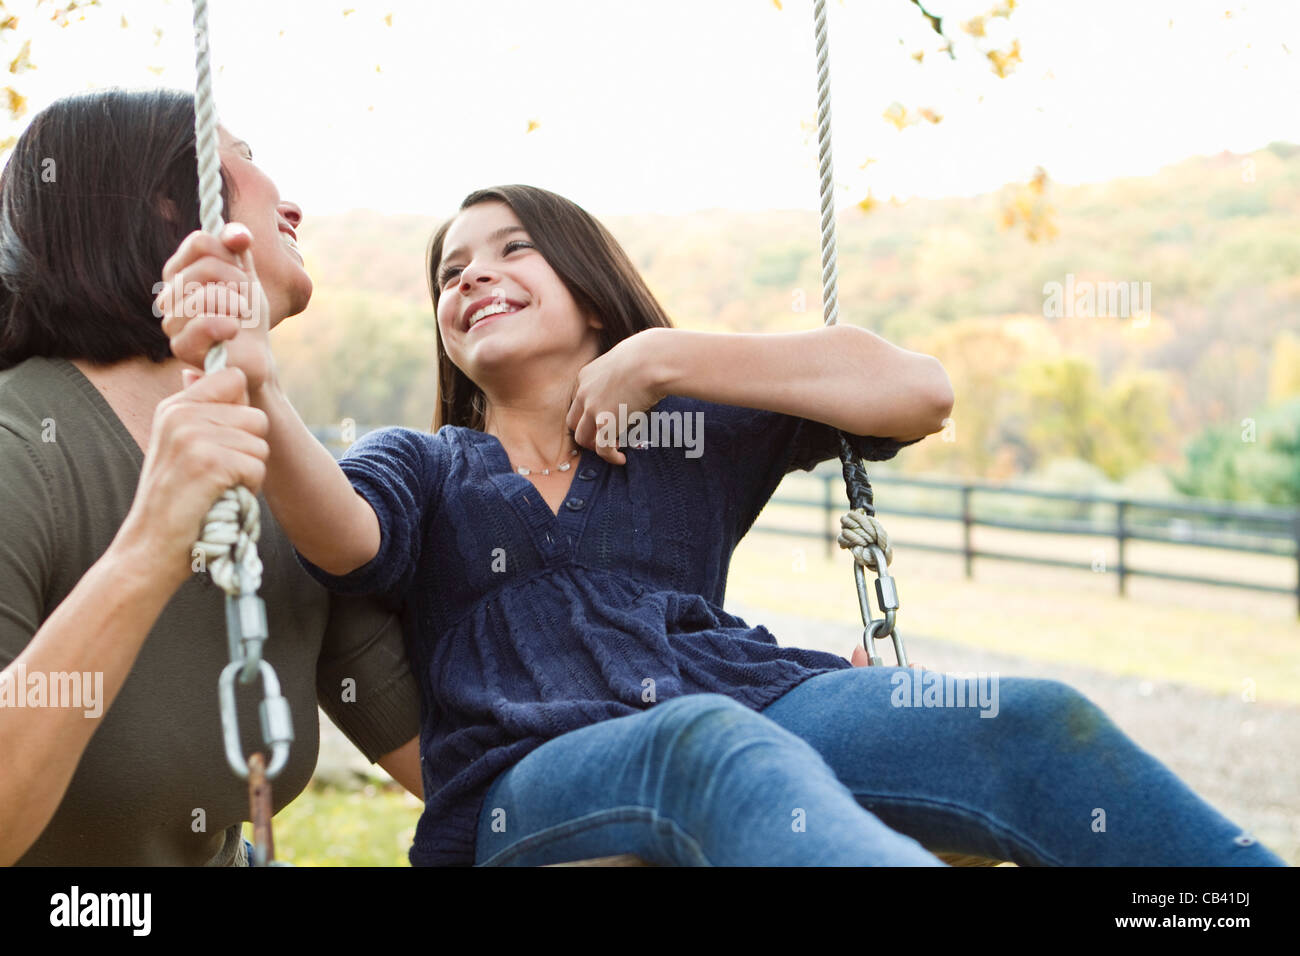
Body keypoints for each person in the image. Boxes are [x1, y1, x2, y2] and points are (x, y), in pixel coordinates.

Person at [162, 180, 1288, 868]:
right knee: (702, 741)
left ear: (592, 287)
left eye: (511, 248)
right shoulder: (428, 463)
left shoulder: (682, 426)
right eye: (450, 271)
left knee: (1031, 718)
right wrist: (259, 384)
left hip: (758, 697)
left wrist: (665, 355)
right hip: (526, 782)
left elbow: (916, 389)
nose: (473, 277)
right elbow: (344, 531)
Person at [0, 88, 423, 867]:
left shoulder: (284, 482)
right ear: (171, 204)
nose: (290, 204)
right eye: (247, 161)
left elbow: (449, 764)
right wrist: (151, 544)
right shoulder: (20, 452)